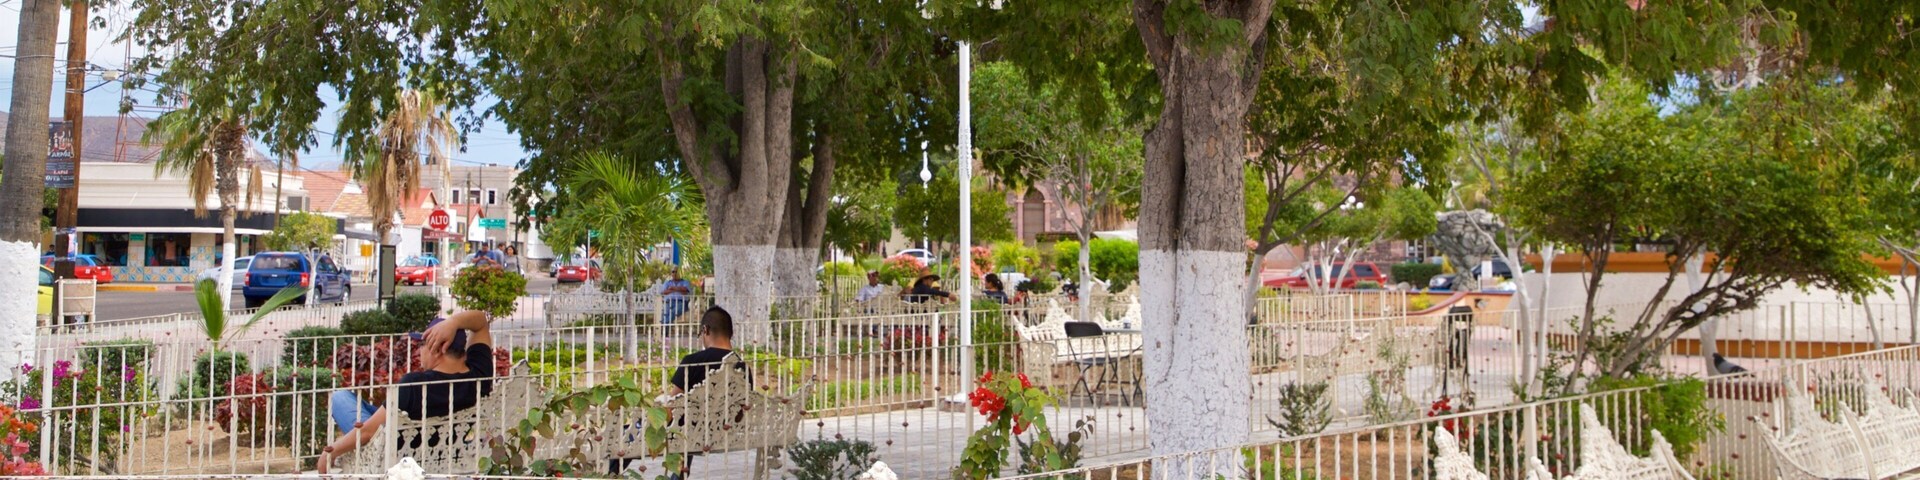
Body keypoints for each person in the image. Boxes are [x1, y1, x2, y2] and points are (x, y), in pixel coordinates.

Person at [317, 310, 495, 473]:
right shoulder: (479, 376)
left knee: (340, 397)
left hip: (398, 450)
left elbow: (368, 433)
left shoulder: (415, 386)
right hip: (446, 449)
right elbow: (480, 323)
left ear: (436, 348)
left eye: (422, 345)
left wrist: (330, 452)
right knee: (383, 412)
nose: (419, 351)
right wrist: (454, 322)